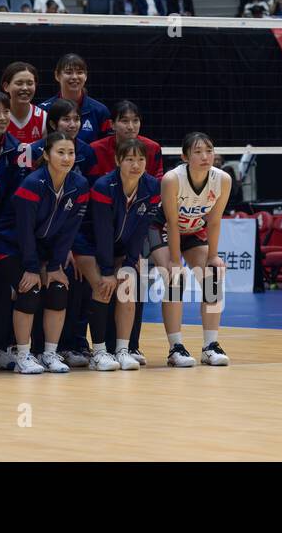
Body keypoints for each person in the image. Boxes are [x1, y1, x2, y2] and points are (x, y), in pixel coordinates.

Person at [0, 130, 89, 373]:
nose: (67, 158)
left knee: (57, 288)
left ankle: (49, 354)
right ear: (46, 155)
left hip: (42, 250)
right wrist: (33, 268)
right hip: (10, 246)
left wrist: (54, 266)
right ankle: (23, 355)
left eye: (71, 153)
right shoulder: (33, 183)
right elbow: (23, 231)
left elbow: (69, 232)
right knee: (29, 290)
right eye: (60, 152)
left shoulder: (79, 185)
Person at [77, 137, 160, 371]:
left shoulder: (152, 187)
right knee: (103, 288)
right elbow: (102, 232)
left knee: (128, 284)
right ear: (117, 160)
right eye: (130, 159)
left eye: (141, 159)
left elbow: (142, 230)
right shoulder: (104, 186)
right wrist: (106, 271)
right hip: (89, 247)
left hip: (121, 250)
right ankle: (99, 352)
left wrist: (129, 263)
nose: (136, 164)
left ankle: (122, 349)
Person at [159, 132, 233, 367]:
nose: (205, 156)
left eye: (209, 150)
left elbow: (214, 221)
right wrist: (173, 259)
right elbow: (171, 223)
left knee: (212, 278)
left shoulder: (222, 179)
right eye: (198, 151)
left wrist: (213, 256)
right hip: (161, 228)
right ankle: (175, 348)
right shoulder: (172, 179)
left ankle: (210, 346)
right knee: (175, 279)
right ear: (184, 156)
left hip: (193, 230)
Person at [38, 53, 111, 145]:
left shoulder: (100, 111)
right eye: (68, 72)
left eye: (80, 72)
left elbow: (108, 146)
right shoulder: (43, 111)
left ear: (86, 76)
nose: (74, 77)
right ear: (57, 75)